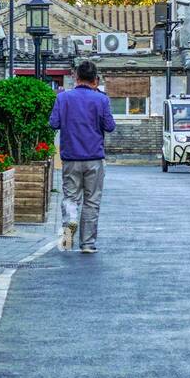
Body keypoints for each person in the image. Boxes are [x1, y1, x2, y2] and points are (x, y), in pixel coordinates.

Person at [48, 60, 116, 253]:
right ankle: (87, 244)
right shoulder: (101, 100)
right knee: (92, 201)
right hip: (94, 158)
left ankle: (67, 237)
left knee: (70, 197)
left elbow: (53, 124)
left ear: (75, 78)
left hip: (70, 158)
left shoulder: (63, 98)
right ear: (95, 80)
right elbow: (110, 126)